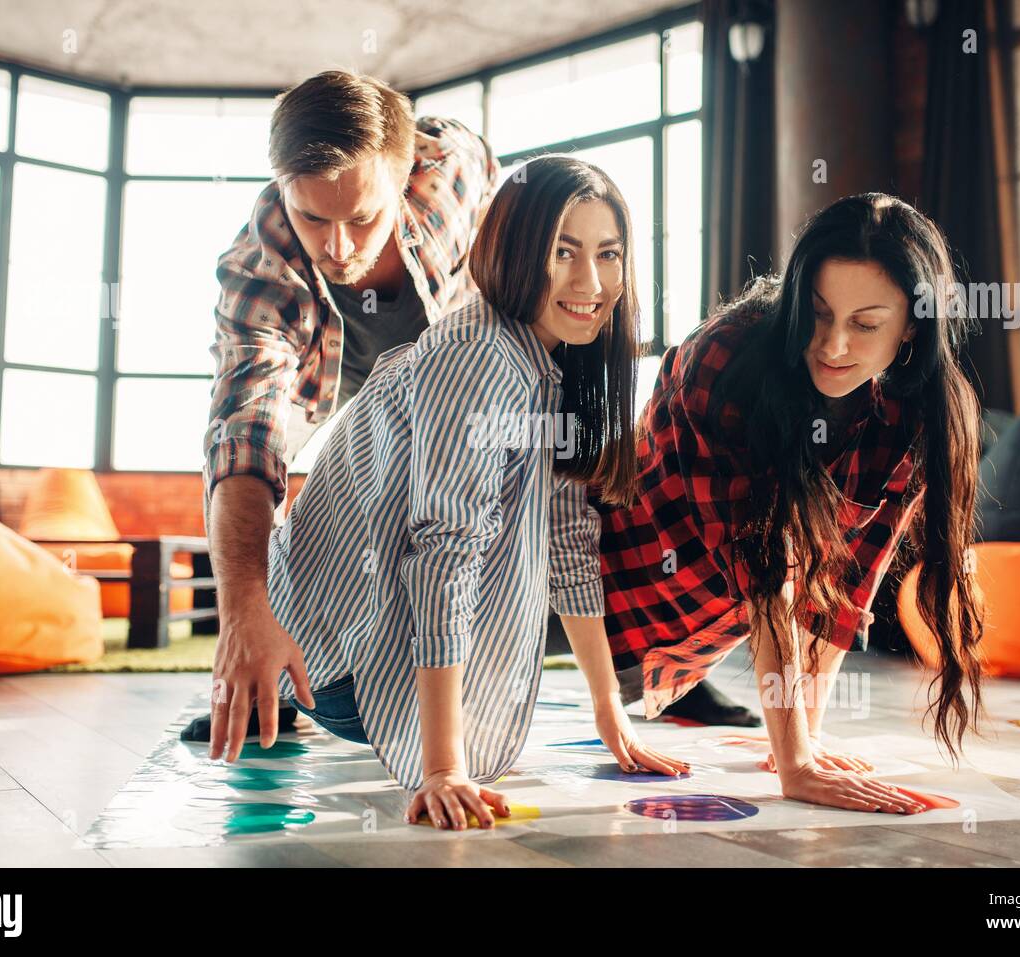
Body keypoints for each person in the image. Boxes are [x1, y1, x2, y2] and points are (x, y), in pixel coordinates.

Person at [231, 155, 690, 829]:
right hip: (339, 677)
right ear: (516, 250)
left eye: (608, 254)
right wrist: (444, 767)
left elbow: (566, 536)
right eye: (563, 253)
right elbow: (444, 554)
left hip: (347, 654)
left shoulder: (548, 362)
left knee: (537, 527)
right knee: (471, 539)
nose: (591, 282)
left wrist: (609, 716)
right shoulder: (480, 356)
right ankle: (262, 697)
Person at [596, 193, 987, 814]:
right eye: (817, 314)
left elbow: (848, 583)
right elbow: (764, 571)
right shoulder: (726, 357)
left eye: (865, 324)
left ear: (912, 324)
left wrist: (805, 734)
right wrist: (795, 763)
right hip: (589, 596)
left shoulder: (920, 411)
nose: (832, 346)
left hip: (684, 650)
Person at [193, 69, 498, 750]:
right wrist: (242, 612)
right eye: (311, 217)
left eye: (362, 218)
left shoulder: (452, 170)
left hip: (437, 345)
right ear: (281, 189)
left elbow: (496, 182)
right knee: (251, 475)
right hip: (318, 363)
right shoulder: (259, 268)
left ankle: (644, 667)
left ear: (405, 176)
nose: (337, 248)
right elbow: (246, 438)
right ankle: (255, 668)